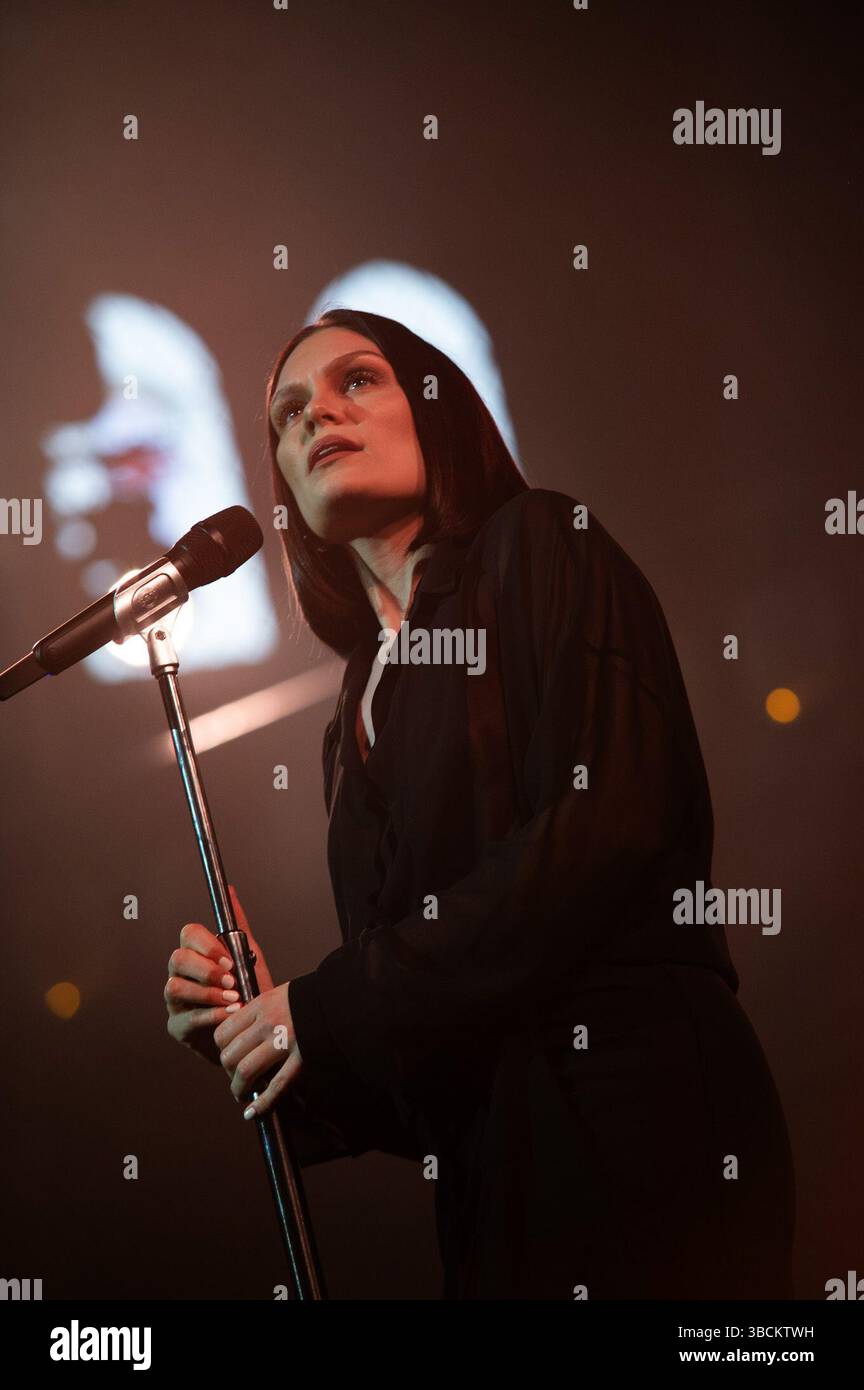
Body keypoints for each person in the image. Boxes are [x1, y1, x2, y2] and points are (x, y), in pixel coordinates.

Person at [164, 308, 796, 1300]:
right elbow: (419, 1051)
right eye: (288, 415)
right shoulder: (351, 717)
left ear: (436, 408)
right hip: (491, 1195)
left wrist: (324, 1006)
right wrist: (258, 1033)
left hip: (638, 1119)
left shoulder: (542, 542)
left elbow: (608, 829)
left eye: (357, 381)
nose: (317, 414)